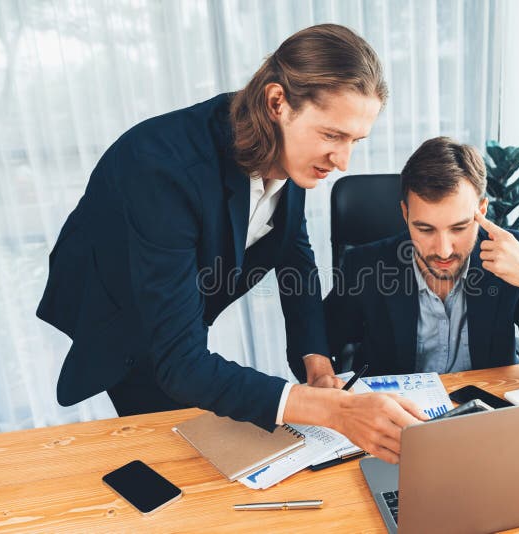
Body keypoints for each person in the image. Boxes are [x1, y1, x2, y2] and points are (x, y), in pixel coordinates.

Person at [37, 24, 425, 464]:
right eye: (332, 135)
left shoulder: (288, 149)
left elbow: (296, 263)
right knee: (170, 452)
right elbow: (180, 363)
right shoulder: (160, 168)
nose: (342, 161)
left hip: (178, 302)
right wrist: (334, 410)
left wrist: (317, 366)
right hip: (120, 310)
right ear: (278, 102)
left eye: (355, 140)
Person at [324, 136, 519, 382]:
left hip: (483, 417)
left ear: (482, 211)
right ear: (405, 214)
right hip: (398, 420)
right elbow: (315, 349)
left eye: (459, 228)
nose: (443, 251)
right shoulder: (367, 266)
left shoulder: (512, 256)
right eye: (425, 229)